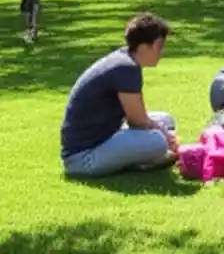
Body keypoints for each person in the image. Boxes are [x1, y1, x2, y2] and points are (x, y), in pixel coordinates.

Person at [61, 14, 178, 177]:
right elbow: (137, 121)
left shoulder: (124, 60)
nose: (161, 52)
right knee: (157, 141)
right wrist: (166, 136)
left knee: (166, 119)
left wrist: (162, 130)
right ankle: (142, 160)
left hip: (106, 136)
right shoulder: (126, 68)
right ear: (145, 46)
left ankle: (139, 157)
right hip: (83, 159)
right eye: (159, 46)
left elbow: (137, 118)